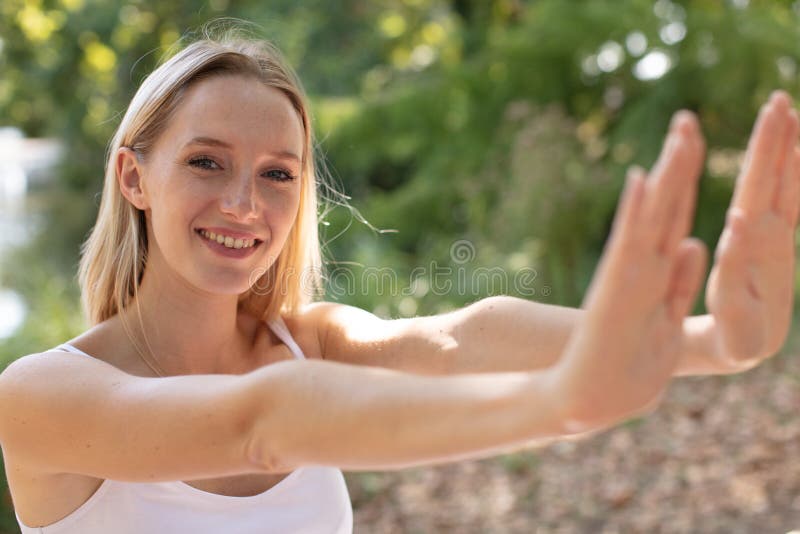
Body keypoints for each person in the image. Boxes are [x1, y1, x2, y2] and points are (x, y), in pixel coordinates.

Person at [0, 29, 797, 533]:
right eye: (207, 161)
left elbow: (458, 340)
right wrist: (561, 401)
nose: (244, 203)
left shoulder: (309, 340)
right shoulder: (41, 397)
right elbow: (261, 425)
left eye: (278, 174)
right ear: (134, 178)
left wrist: (713, 341)